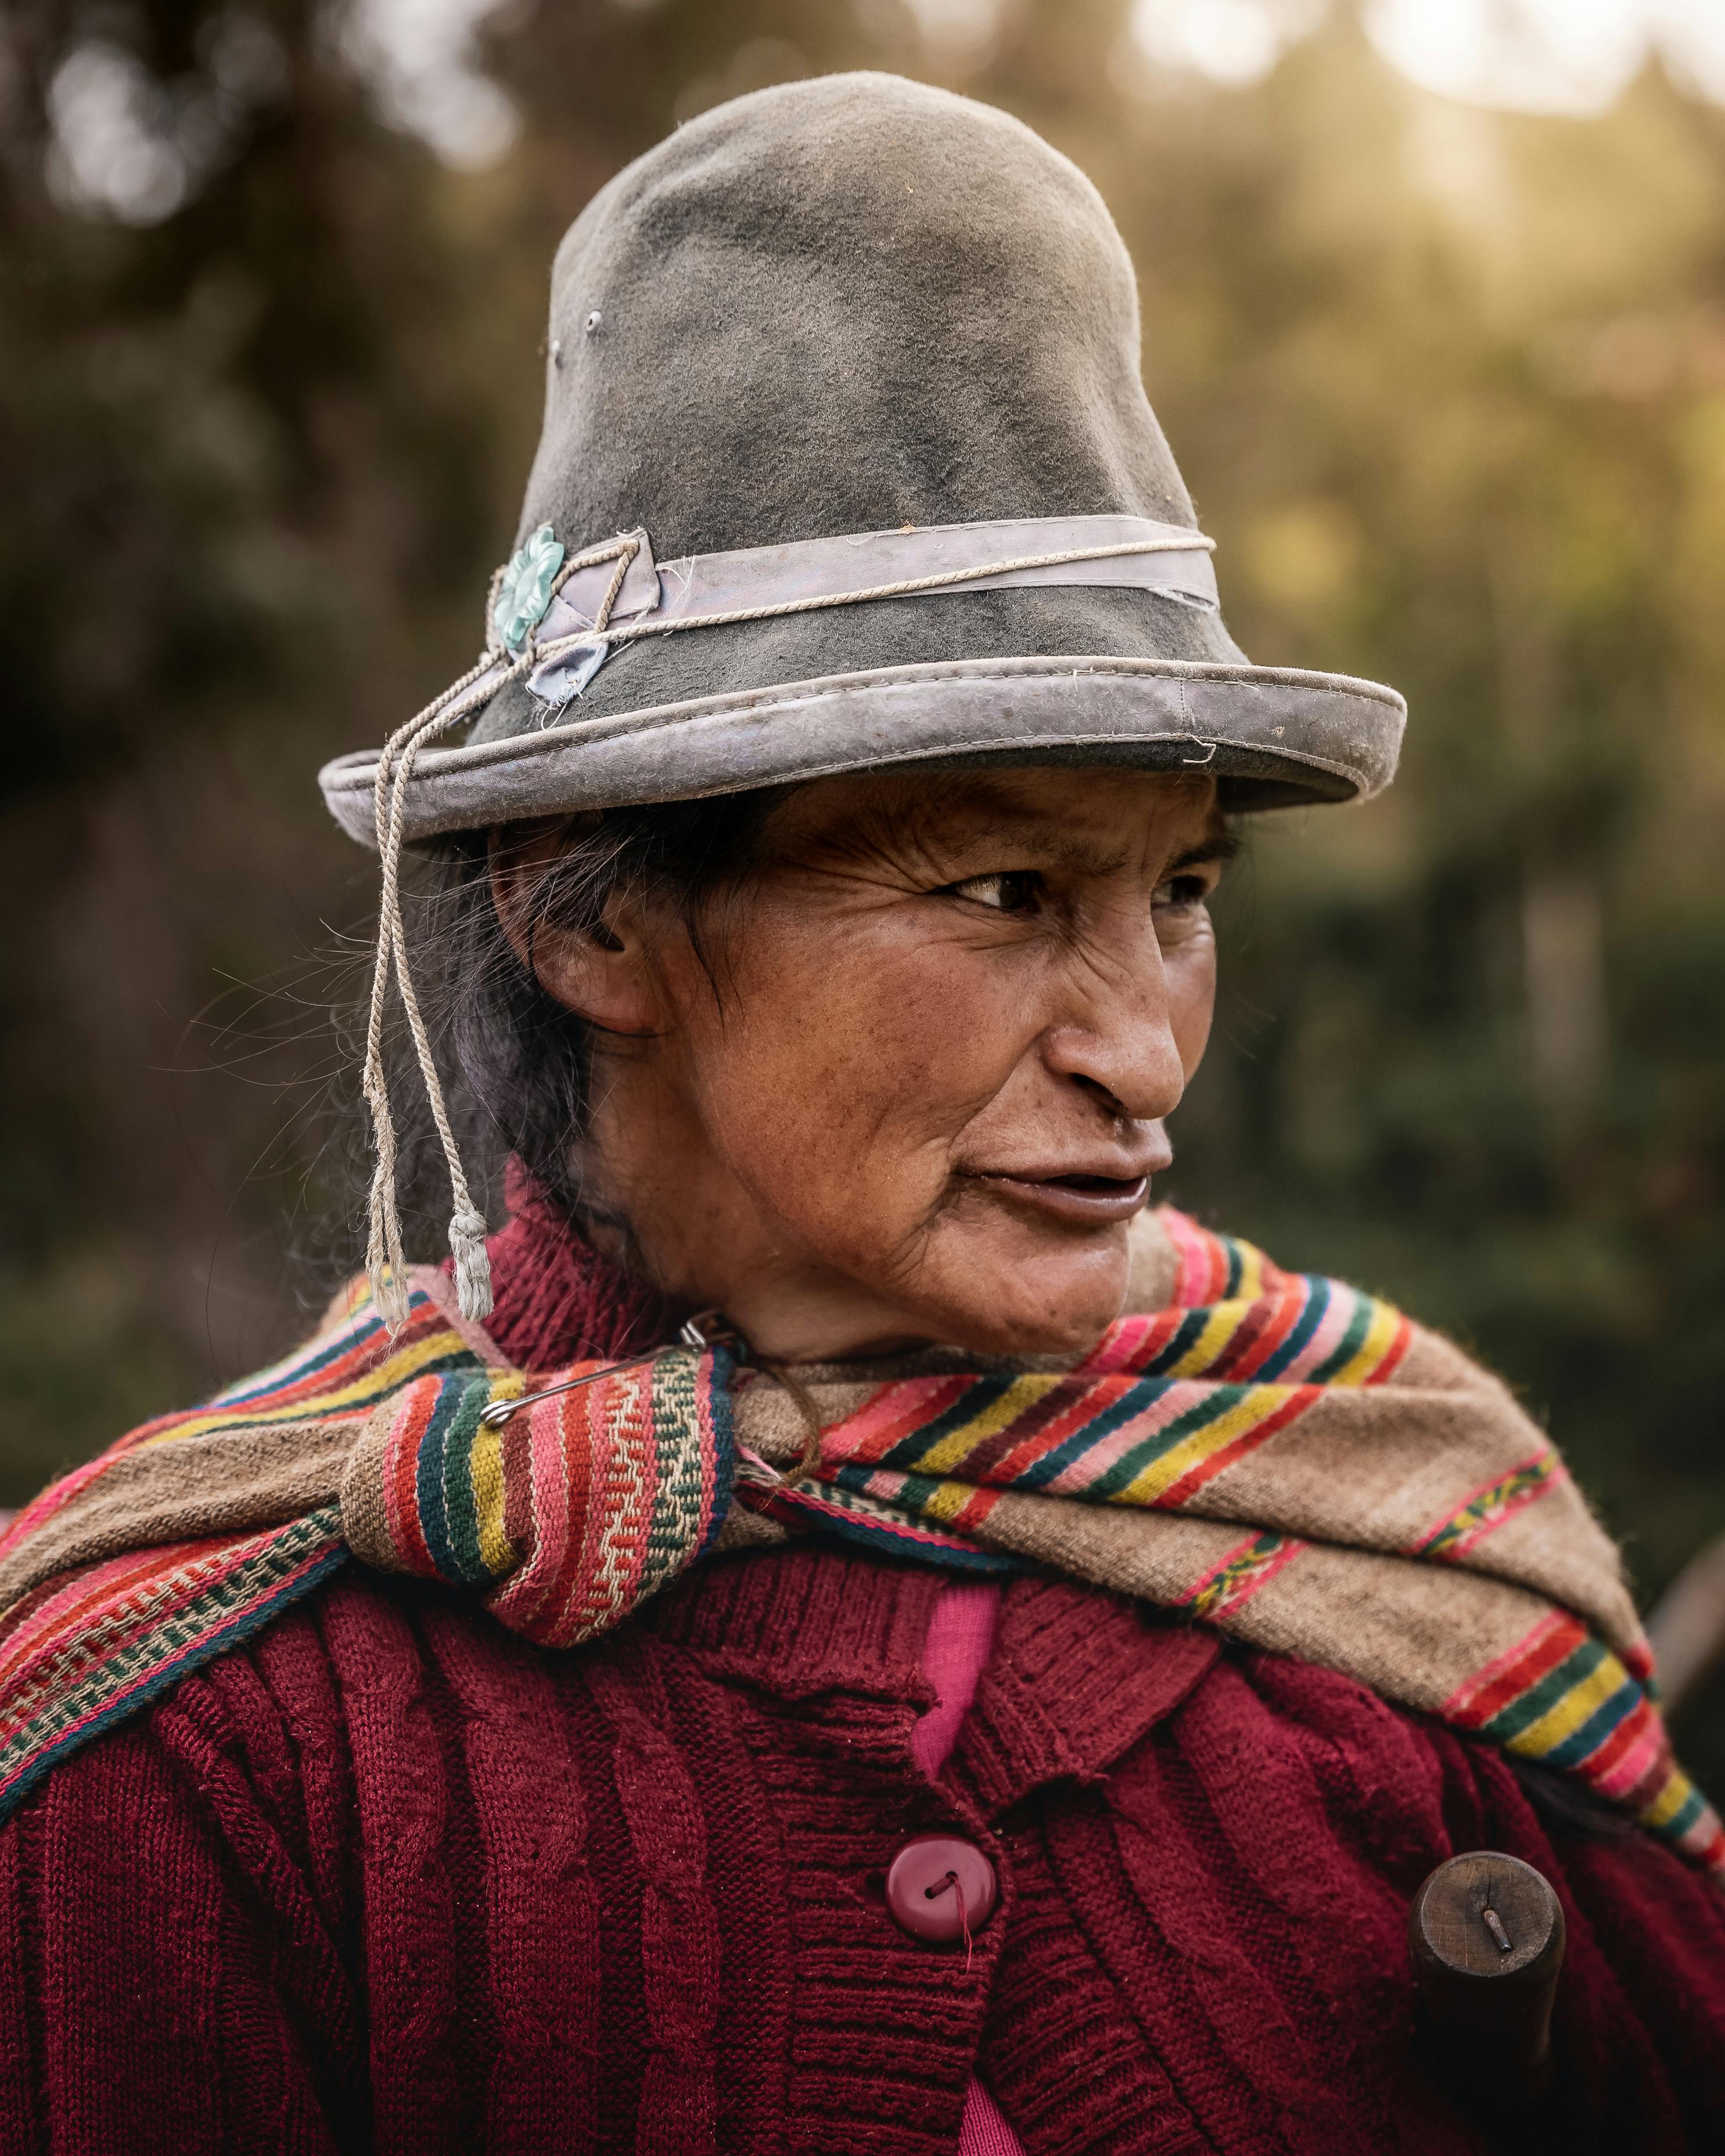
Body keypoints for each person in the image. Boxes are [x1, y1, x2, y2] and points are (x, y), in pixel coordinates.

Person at [1, 71, 1720, 2156]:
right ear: (588, 916)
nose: (1146, 1051)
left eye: (1176, 895)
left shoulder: (1385, 1529)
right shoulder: (187, 1759)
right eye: (999, 894)